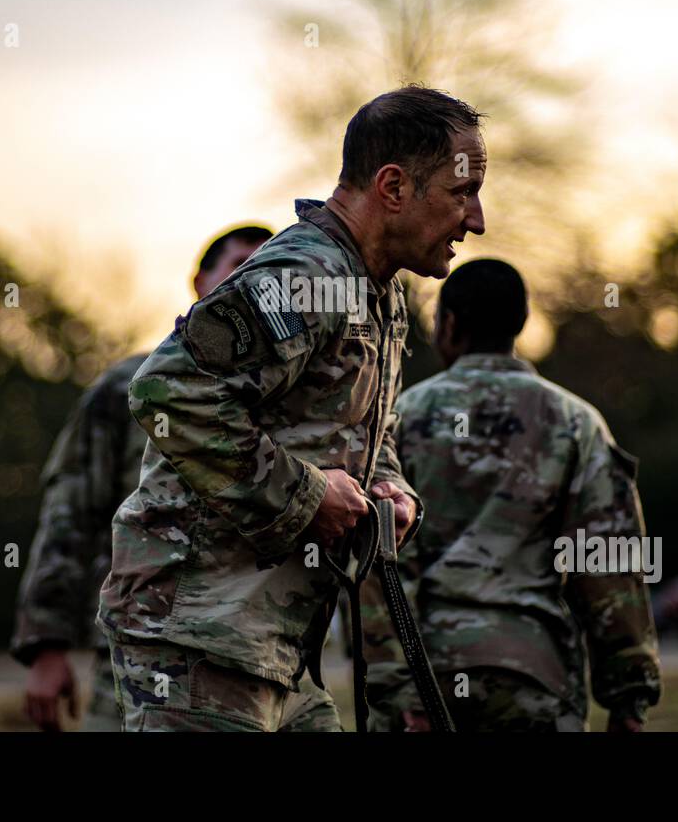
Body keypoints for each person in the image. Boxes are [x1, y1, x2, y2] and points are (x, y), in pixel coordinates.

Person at [98, 85, 488, 731]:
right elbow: (166, 391)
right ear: (393, 187)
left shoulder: (377, 291)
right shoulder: (307, 273)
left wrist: (386, 485)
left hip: (276, 649)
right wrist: (307, 497)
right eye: (461, 193)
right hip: (197, 636)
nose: (475, 220)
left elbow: (360, 427)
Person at [366, 258, 661, 732]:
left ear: (450, 326)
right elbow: (608, 563)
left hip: (427, 670)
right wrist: (629, 694)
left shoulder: (401, 417)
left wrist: (397, 686)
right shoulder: (575, 421)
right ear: (521, 323)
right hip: (534, 673)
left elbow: (377, 563)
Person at [10, 224, 275, 731]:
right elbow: (70, 514)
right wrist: (47, 645)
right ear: (200, 282)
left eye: (268, 273)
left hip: (264, 648)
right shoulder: (128, 386)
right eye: (240, 266)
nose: (254, 282)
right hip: (145, 643)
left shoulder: (298, 394)